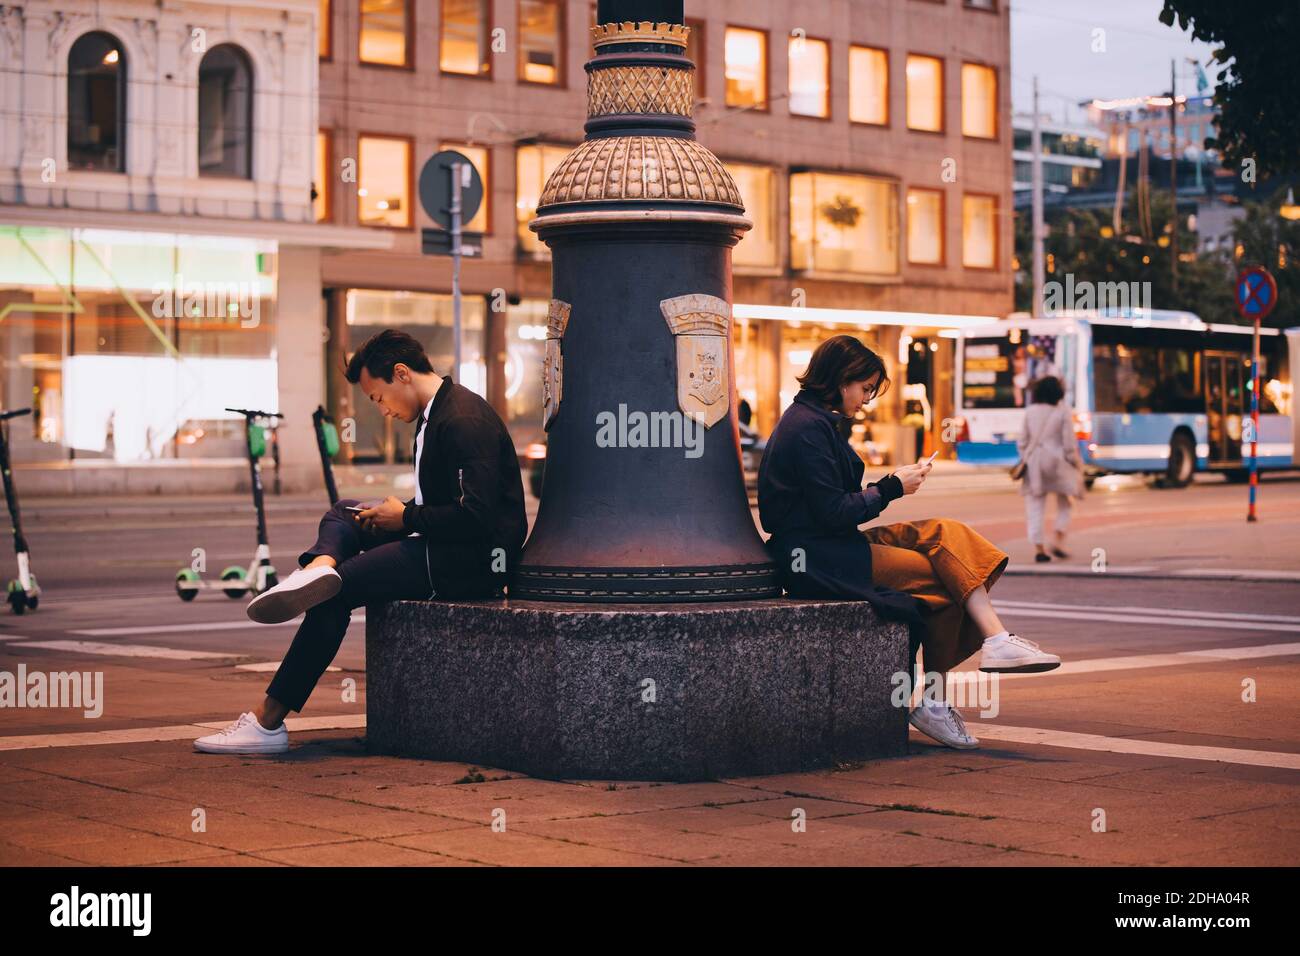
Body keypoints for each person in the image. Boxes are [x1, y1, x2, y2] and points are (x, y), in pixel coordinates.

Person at [195, 330, 528, 754]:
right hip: (442, 542)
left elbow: (477, 517)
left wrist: (405, 517)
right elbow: (447, 505)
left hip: (469, 562)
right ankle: (317, 567)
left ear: (401, 374)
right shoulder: (434, 414)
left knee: (334, 595)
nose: (381, 409)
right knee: (344, 511)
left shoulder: (462, 419)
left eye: (377, 397)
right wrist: (398, 516)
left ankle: (267, 723)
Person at [757, 335, 1061, 751]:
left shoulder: (812, 419)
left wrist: (892, 485)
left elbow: (831, 508)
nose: (867, 400)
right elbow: (833, 511)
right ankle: (936, 700)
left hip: (830, 544)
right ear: (841, 380)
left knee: (943, 532)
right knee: (943, 582)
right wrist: (892, 487)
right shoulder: (809, 428)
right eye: (865, 389)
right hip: (818, 557)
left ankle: (996, 639)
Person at [1018, 375, 1084, 563]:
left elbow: (1022, 440)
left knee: (1035, 506)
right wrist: (1076, 463)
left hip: (1034, 463)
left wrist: (1026, 457)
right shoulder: (1063, 412)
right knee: (1067, 502)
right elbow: (1069, 443)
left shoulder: (1030, 412)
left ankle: (1039, 548)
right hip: (1058, 462)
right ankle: (1058, 537)